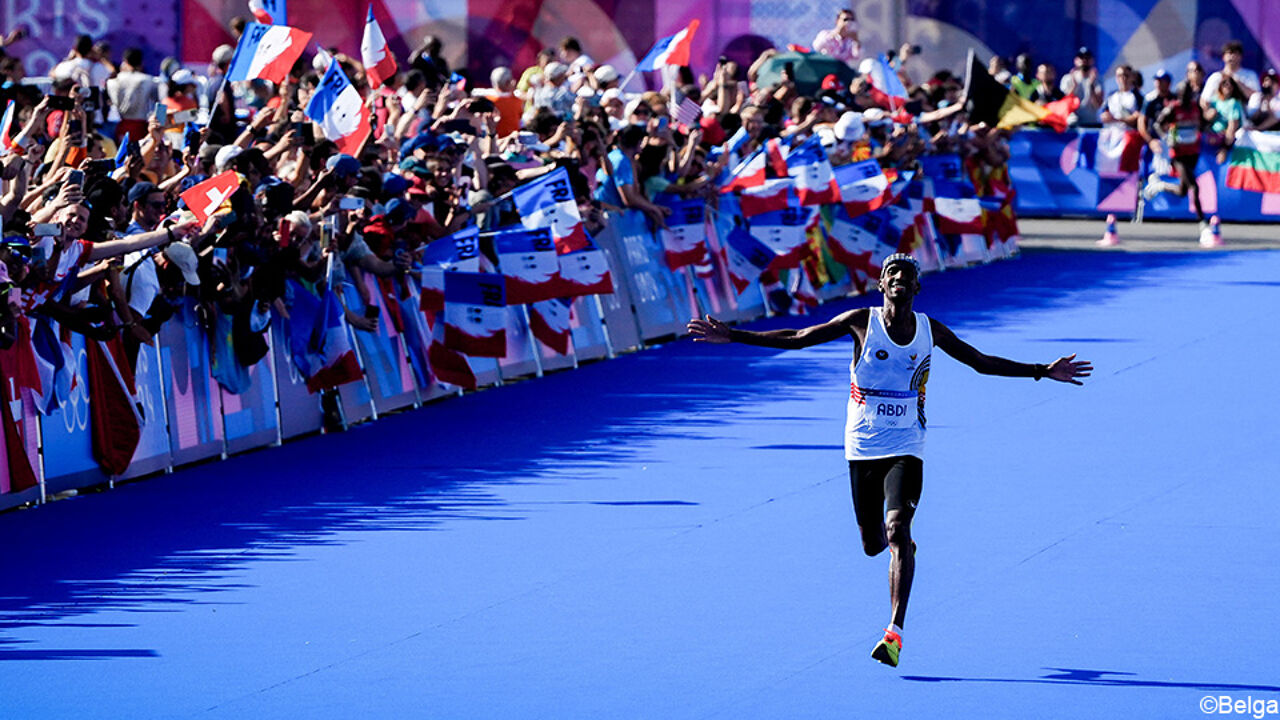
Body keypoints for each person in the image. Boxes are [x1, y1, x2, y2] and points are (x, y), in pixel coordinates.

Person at [686, 254, 1091, 667]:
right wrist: (734, 335)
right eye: (892, 273)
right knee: (872, 544)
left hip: (907, 444)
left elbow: (979, 362)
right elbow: (799, 336)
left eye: (908, 275)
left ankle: (893, 632)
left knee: (897, 528)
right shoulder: (862, 321)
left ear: (916, 288)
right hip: (862, 445)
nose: (899, 278)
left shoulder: (929, 330)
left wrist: (1042, 370)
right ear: (881, 284)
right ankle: (900, 548)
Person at [1143, 81, 1207, 229]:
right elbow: (1157, 125)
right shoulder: (1173, 108)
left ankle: (1160, 185)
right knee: (1194, 187)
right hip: (1178, 154)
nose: (1185, 97)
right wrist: (1166, 138)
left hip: (1193, 152)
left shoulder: (1196, 108)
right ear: (1178, 95)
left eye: (1188, 94)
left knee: (1183, 190)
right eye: (1182, 94)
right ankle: (1203, 222)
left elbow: (1203, 123)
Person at [1201, 40, 1259, 109]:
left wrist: (1236, 81)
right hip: (1220, 115)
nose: (1231, 56)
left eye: (1235, 53)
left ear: (1240, 56)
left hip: (1244, 113)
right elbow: (1204, 99)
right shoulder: (1216, 76)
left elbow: (1256, 97)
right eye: (1229, 53)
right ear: (1223, 57)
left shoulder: (1250, 75)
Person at [1059, 47, 1104, 125]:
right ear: (1075, 61)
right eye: (1081, 58)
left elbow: (1098, 105)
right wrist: (1074, 86)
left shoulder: (1098, 80)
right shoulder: (1068, 78)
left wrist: (1091, 85)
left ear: (1092, 61)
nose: (1084, 61)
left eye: (1087, 58)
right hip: (1073, 123)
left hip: (1091, 122)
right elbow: (1063, 103)